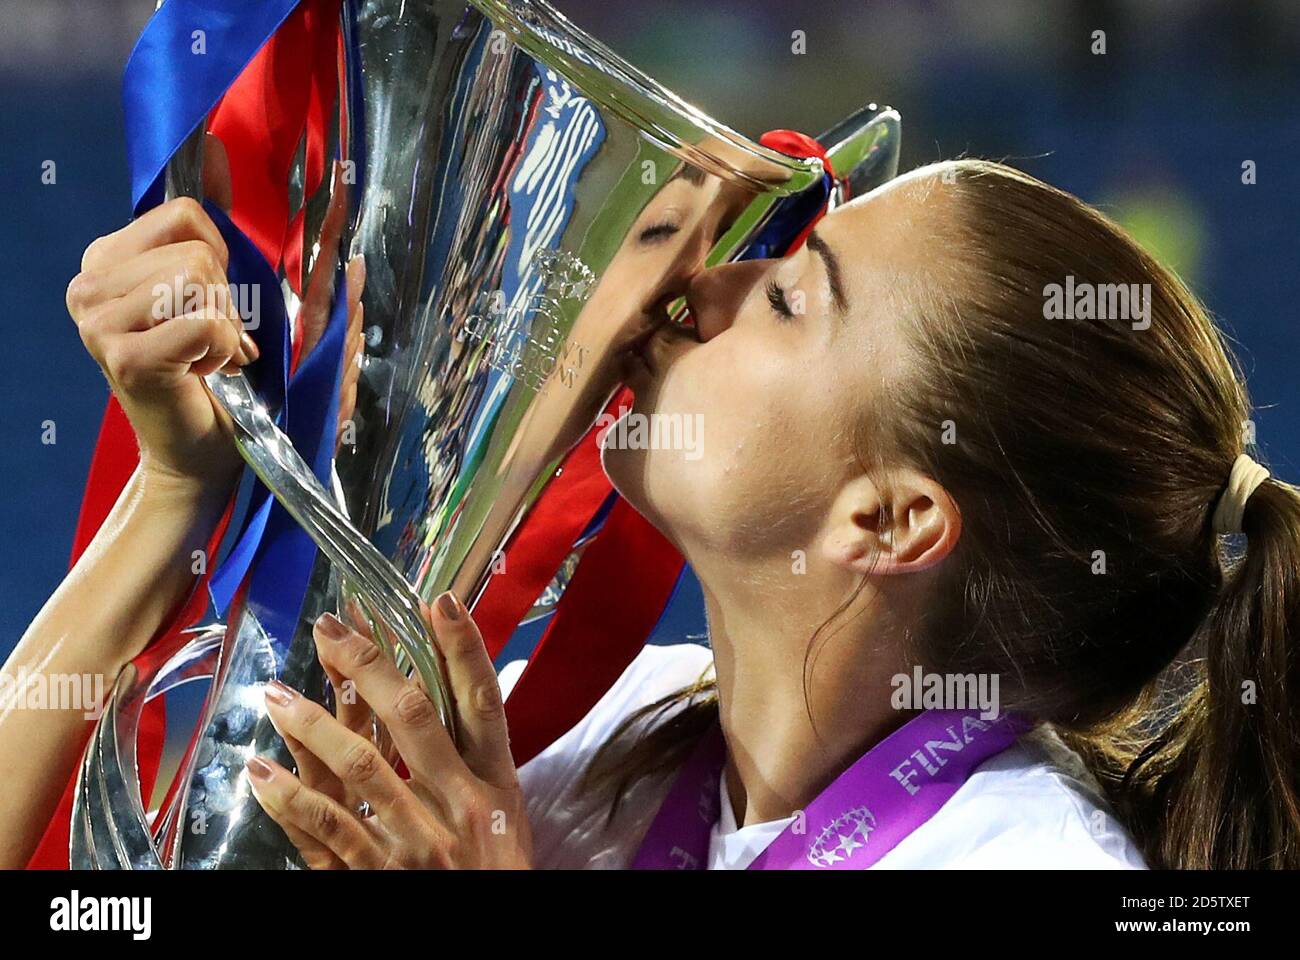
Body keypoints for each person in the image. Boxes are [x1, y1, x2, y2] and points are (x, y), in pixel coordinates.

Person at [3, 157, 1296, 870]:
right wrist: (179, 494)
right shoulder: (623, 752)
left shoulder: (1024, 863)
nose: (708, 289)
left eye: (790, 299)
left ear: (890, 522)